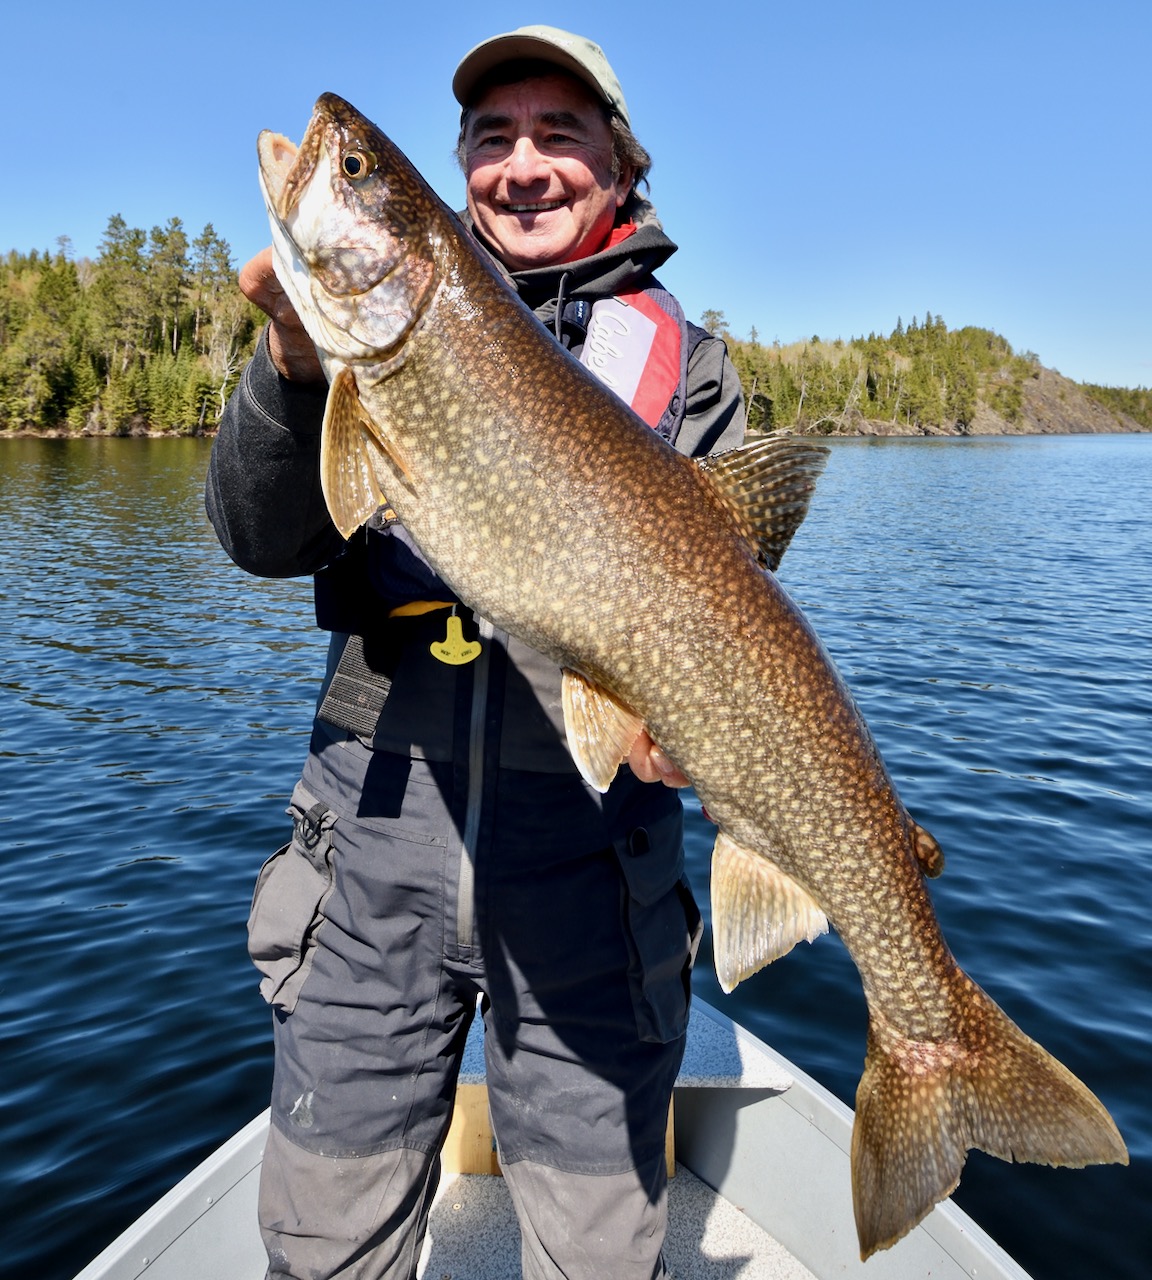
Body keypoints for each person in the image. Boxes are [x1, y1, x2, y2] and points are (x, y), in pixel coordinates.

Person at [206, 25, 746, 1280]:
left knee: (600, 1254)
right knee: (325, 1242)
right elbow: (257, 535)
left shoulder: (693, 371)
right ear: (459, 172)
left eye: (561, 134)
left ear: (622, 166)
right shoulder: (359, 332)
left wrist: (685, 724)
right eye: (492, 137)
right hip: (371, 848)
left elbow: (730, 613)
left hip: (593, 874)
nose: (523, 163)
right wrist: (291, 371)